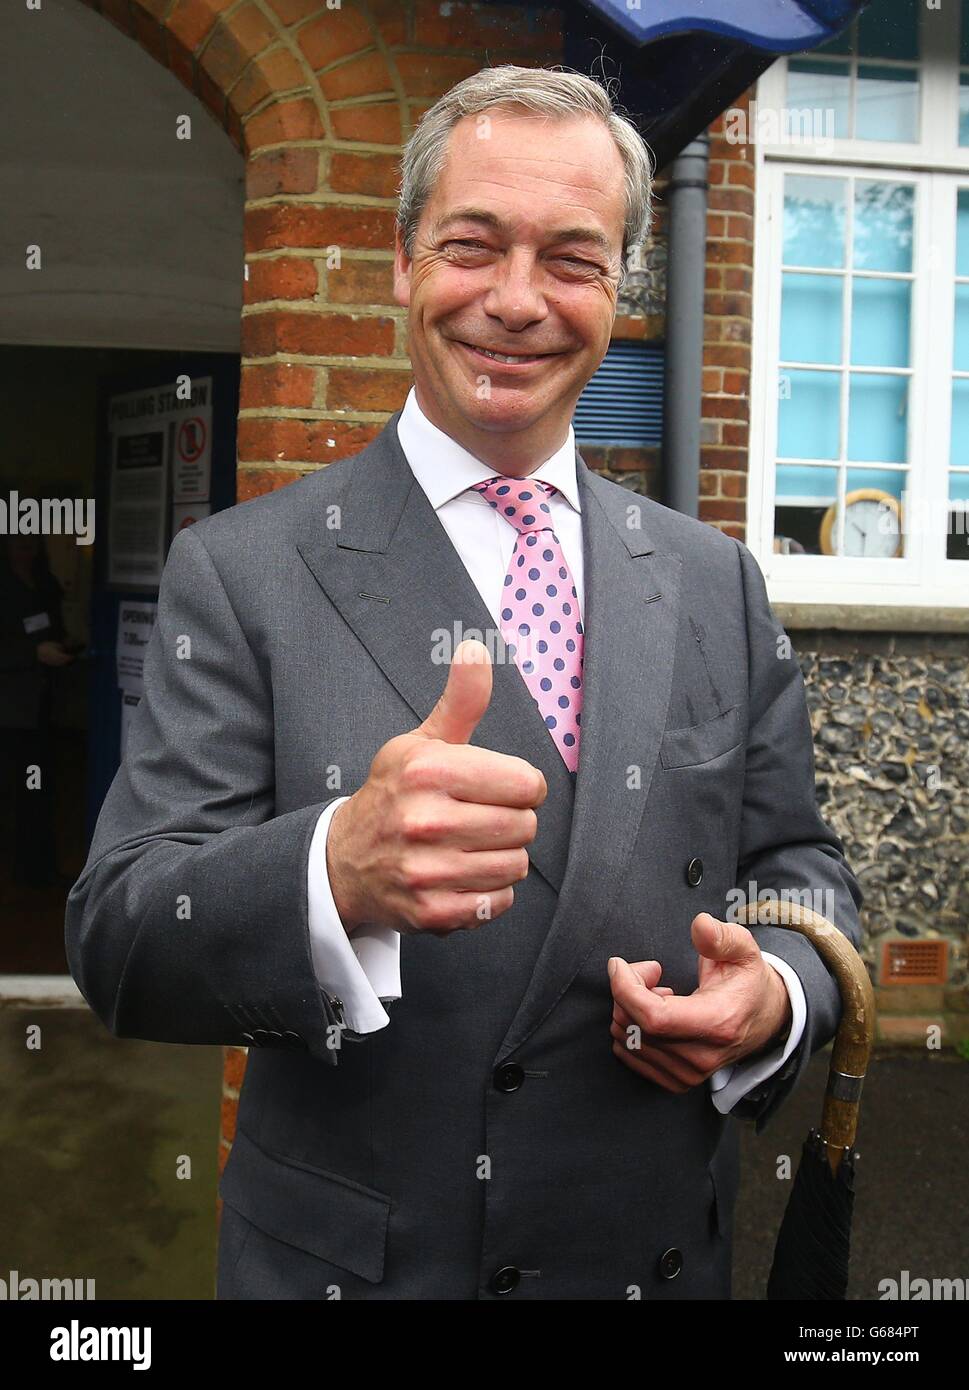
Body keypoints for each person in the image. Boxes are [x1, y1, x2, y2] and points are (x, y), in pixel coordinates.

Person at [65, 65, 862, 1300]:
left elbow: (806, 879)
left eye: (573, 260)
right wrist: (332, 869)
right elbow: (119, 939)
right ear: (401, 262)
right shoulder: (242, 572)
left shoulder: (715, 583)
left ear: (620, 289)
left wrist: (779, 999)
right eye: (472, 246)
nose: (516, 302)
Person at [0, 531, 79, 889]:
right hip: (10, 710)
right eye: (19, 542)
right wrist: (33, 653)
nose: (26, 548)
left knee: (39, 789)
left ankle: (37, 869)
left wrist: (64, 645)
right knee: (15, 791)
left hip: (42, 706)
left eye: (31, 541)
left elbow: (55, 626)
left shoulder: (44, 581)